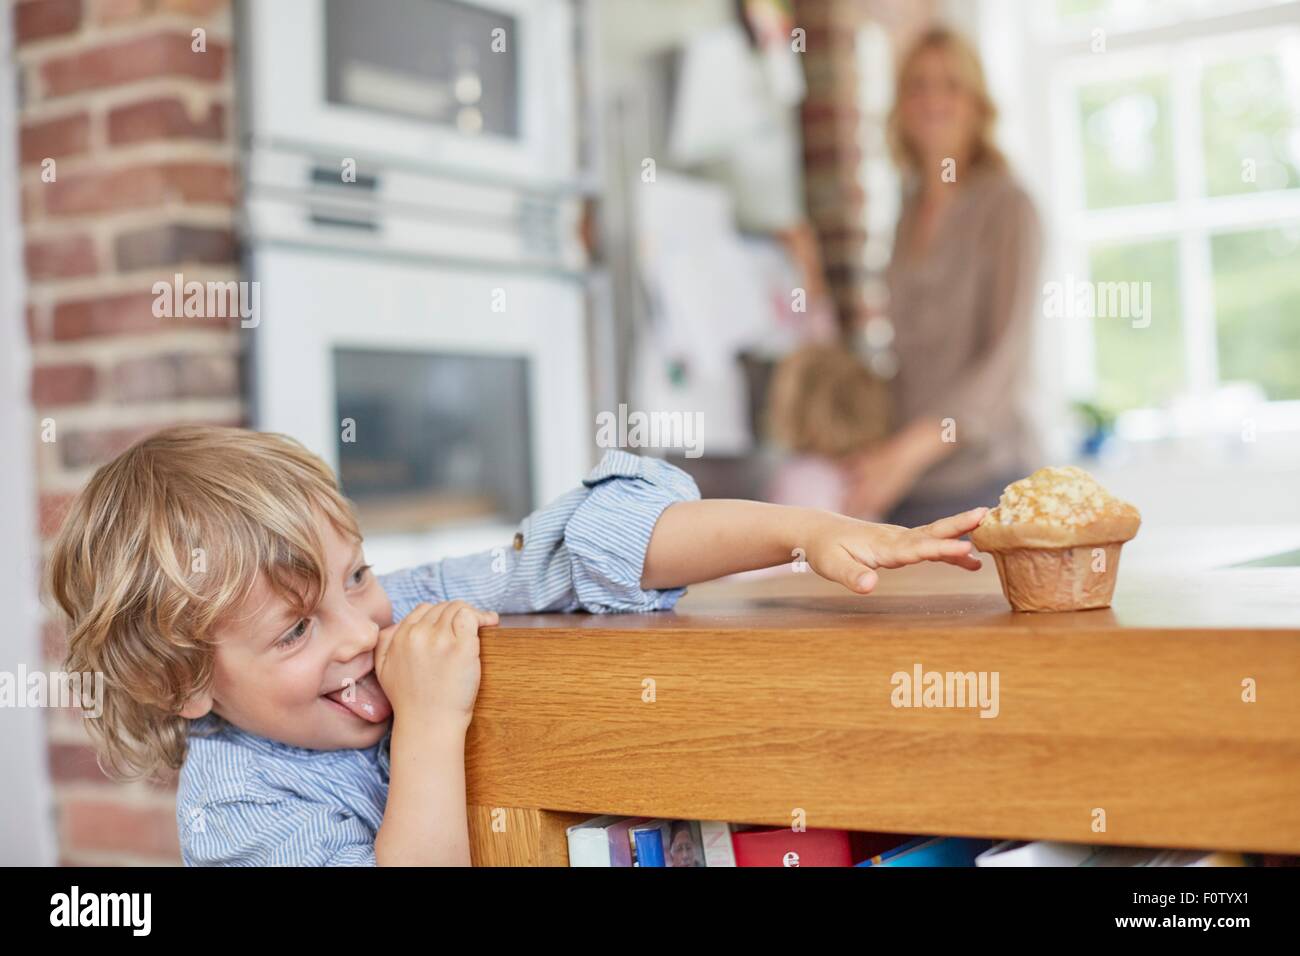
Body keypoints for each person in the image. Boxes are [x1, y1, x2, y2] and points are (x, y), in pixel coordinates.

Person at [49, 425, 988, 865]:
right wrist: (426, 725)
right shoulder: (238, 811)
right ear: (181, 682)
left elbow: (575, 551)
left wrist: (801, 533)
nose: (360, 633)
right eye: (294, 630)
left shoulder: (390, 615)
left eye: (357, 575)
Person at [844, 26, 1043, 526]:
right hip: (910, 484)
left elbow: (1004, 359)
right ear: (900, 108)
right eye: (917, 86)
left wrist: (908, 451)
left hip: (986, 476)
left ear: (978, 104)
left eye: (950, 85)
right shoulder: (907, 210)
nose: (932, 100)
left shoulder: (1007, 207)